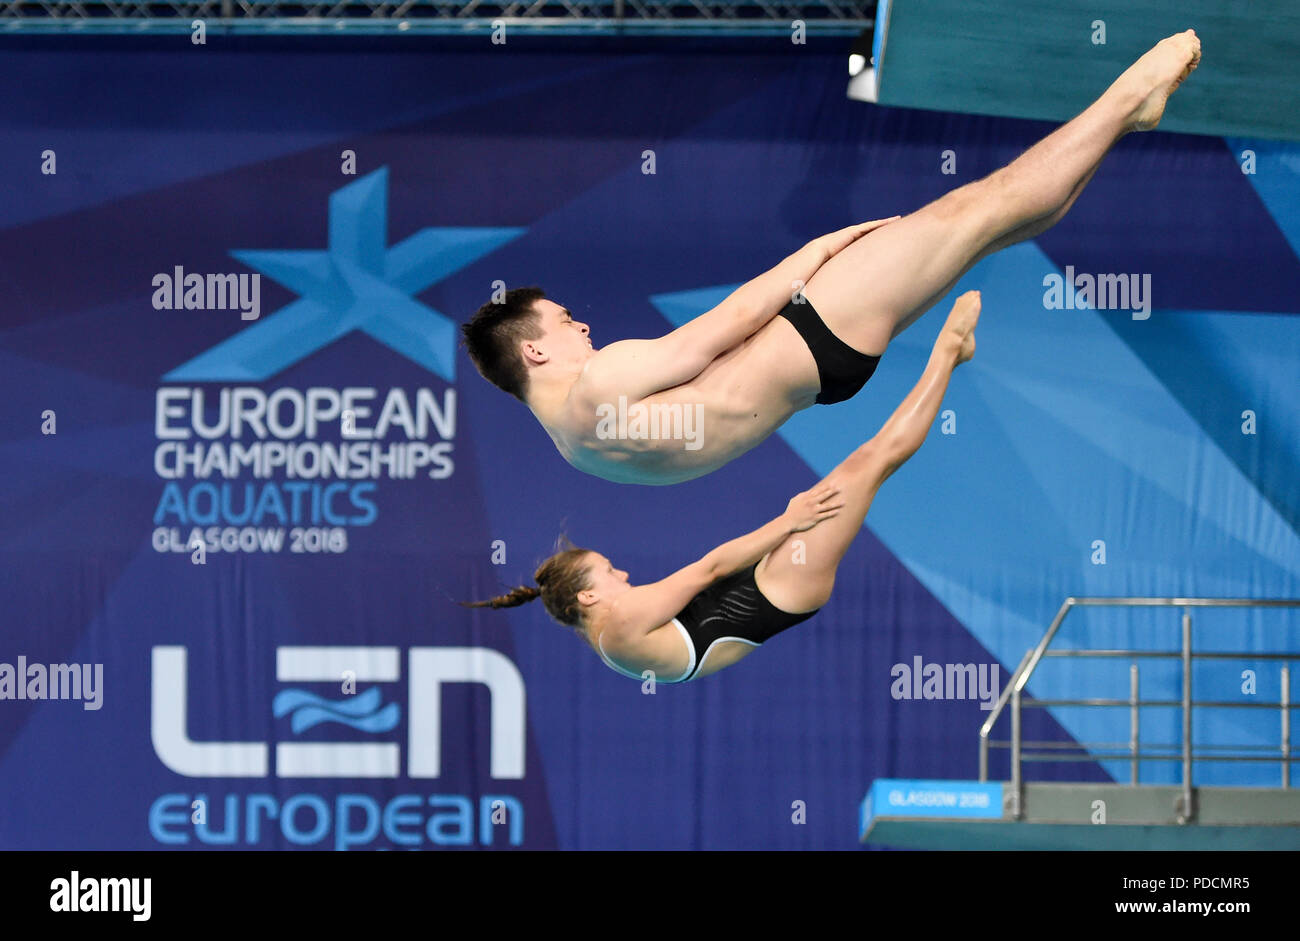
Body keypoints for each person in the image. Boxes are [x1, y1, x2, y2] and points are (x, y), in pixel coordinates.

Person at [461, 31, 1200, 485]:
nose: (582, 325)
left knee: (992, 227)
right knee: (982, 206)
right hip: (813, 325)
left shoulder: (576, 449)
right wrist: (815, 251)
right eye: (565, 321)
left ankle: (1123, 124)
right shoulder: (599, 383)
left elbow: (709, 420)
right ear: (533, 349)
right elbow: (722, 326)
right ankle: (1128, 96)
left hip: (821, 374)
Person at [464, 291, 980, 682]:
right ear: (589, 595)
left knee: (869, 461)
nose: (623, 572)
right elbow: (708, 569)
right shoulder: (619, 624)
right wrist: (789, 523)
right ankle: (948, 354)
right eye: (609, 571)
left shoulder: (610, 639)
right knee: (872, 461)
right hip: (776, 590)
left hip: (760, 592)